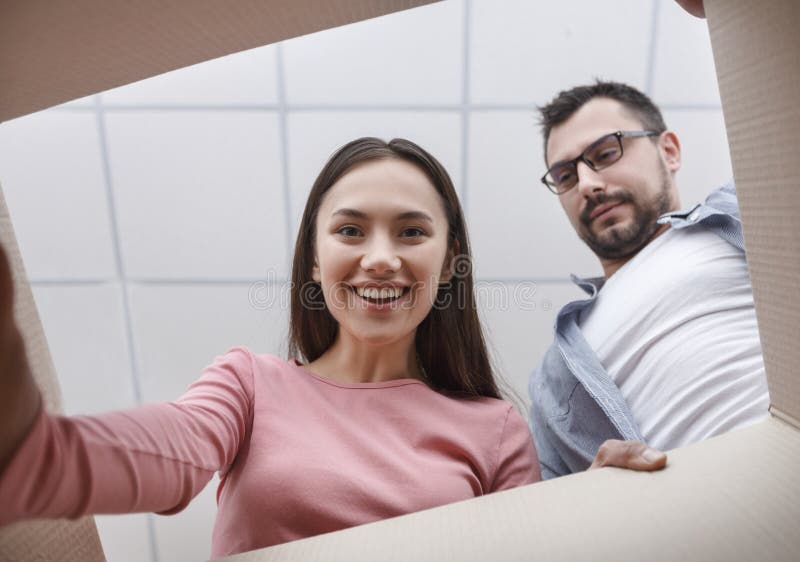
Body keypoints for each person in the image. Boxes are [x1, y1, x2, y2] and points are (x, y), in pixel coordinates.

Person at [0, 137, 662, 558]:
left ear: (449, 263)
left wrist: (586, 514)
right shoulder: (250, 383)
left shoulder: (494, 430)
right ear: (315, 261)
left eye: (411, 232)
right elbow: (172, 453)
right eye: (350, 231)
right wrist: (34, 448)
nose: (380, 258)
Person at [528, 81, 770, 480]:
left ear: (668, 151)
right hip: (705, 510)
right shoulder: (550, 381)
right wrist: (590, 493)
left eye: (606, 153)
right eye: (566, 176)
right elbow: (551, 507)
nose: (587, 184)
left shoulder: (752, 207)